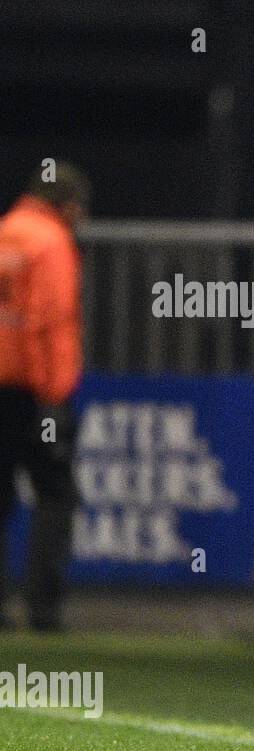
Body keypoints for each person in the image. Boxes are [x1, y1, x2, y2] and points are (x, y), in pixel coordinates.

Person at [0, 162, 90, 631]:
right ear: (67, 206)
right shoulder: (51, 242)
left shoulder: (5, 231)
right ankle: (44, 607)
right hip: (32, 391)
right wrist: (55, 396)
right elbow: (48, 323)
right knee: (56, 495)